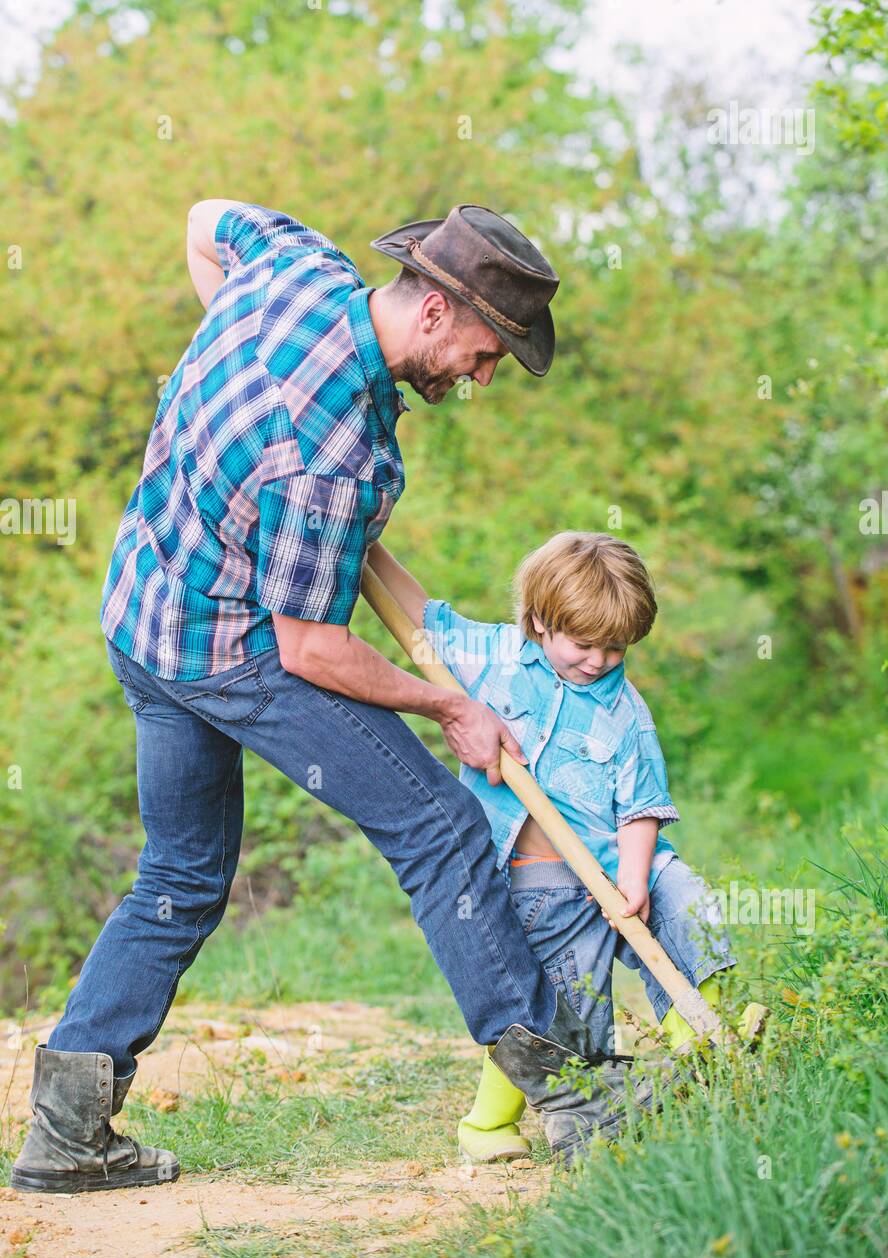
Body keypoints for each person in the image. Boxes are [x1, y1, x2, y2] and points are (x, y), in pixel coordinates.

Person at [11, 201, 650, 1194]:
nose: (481, 380)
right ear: (435, 311)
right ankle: (566, 1099)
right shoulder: (334, 456)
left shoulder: (295, 273)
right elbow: (309, 648)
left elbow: (198, 217)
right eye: (486, 353)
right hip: (227, 647)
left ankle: (66, 1130)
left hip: (142, 609)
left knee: (179, 874)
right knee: (439, 826)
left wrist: (237, 369)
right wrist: (449, 710)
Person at [367, 532, 763, 1164]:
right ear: (540, 622)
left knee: (689, 900)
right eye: (584, 644)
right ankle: (493, 1125)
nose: (600, 660)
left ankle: (704, 1033)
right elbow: (422, 615)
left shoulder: (626, 713)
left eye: (616, 647)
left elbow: (640, 807)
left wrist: (634, 882)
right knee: (565, 1012)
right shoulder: (493, 657)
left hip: (619, 862)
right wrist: (370, 549)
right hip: (539, 883)